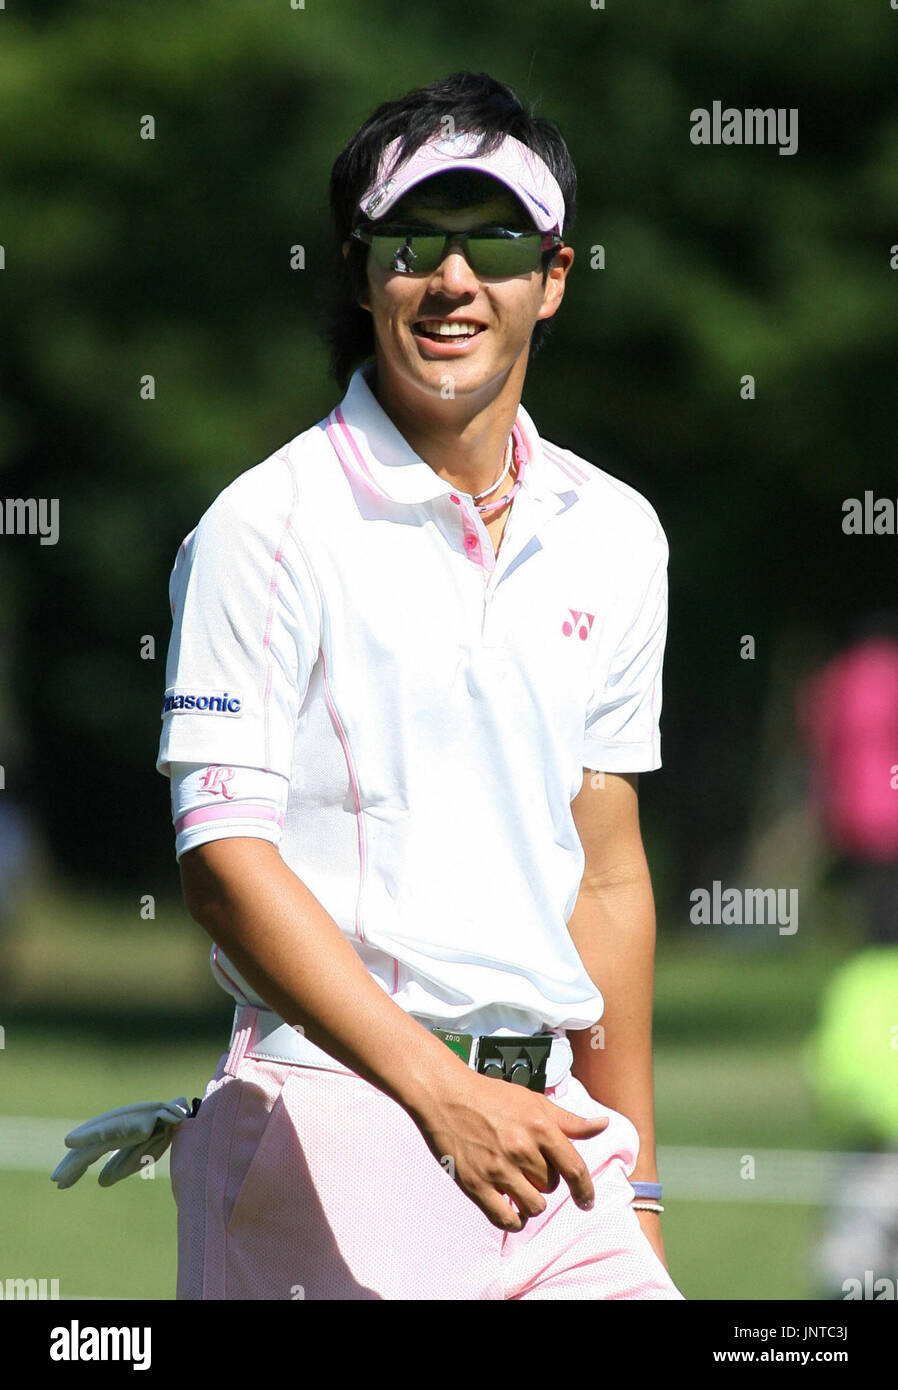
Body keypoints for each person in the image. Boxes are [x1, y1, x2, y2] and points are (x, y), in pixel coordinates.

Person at [156, 70, 682, 1301]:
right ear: (360, 273)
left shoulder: (616, 530)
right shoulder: (265, 524)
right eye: (412, 244)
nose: (452, 280)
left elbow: (606, 873)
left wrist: (641, 1185)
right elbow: (223, 861)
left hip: (555, 1146)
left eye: (493, 243)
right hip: (329, 1124)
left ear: (552, 277)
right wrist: (440, 1094)